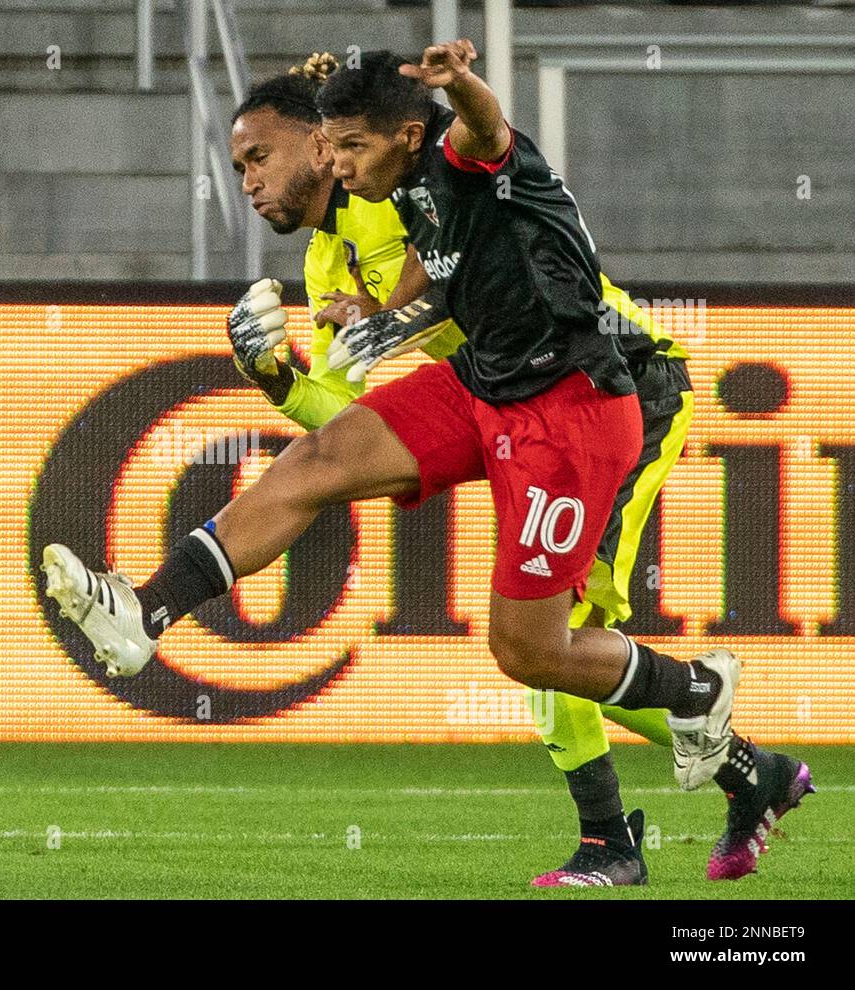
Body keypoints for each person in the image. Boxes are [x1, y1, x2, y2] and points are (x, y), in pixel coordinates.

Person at [44, 44, 812, 883]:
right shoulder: (336, 247)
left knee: (547, 647)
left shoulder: (434, 159)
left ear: (333, 143)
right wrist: (284, 377)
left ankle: (659, 800)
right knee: (320, 462)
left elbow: (474, 142)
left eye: (261, 156)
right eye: (240, 167)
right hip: (487, 385)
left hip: (602, 386)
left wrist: (454, 90)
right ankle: (145, 614)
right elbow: (351, 413)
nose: (252, 181)